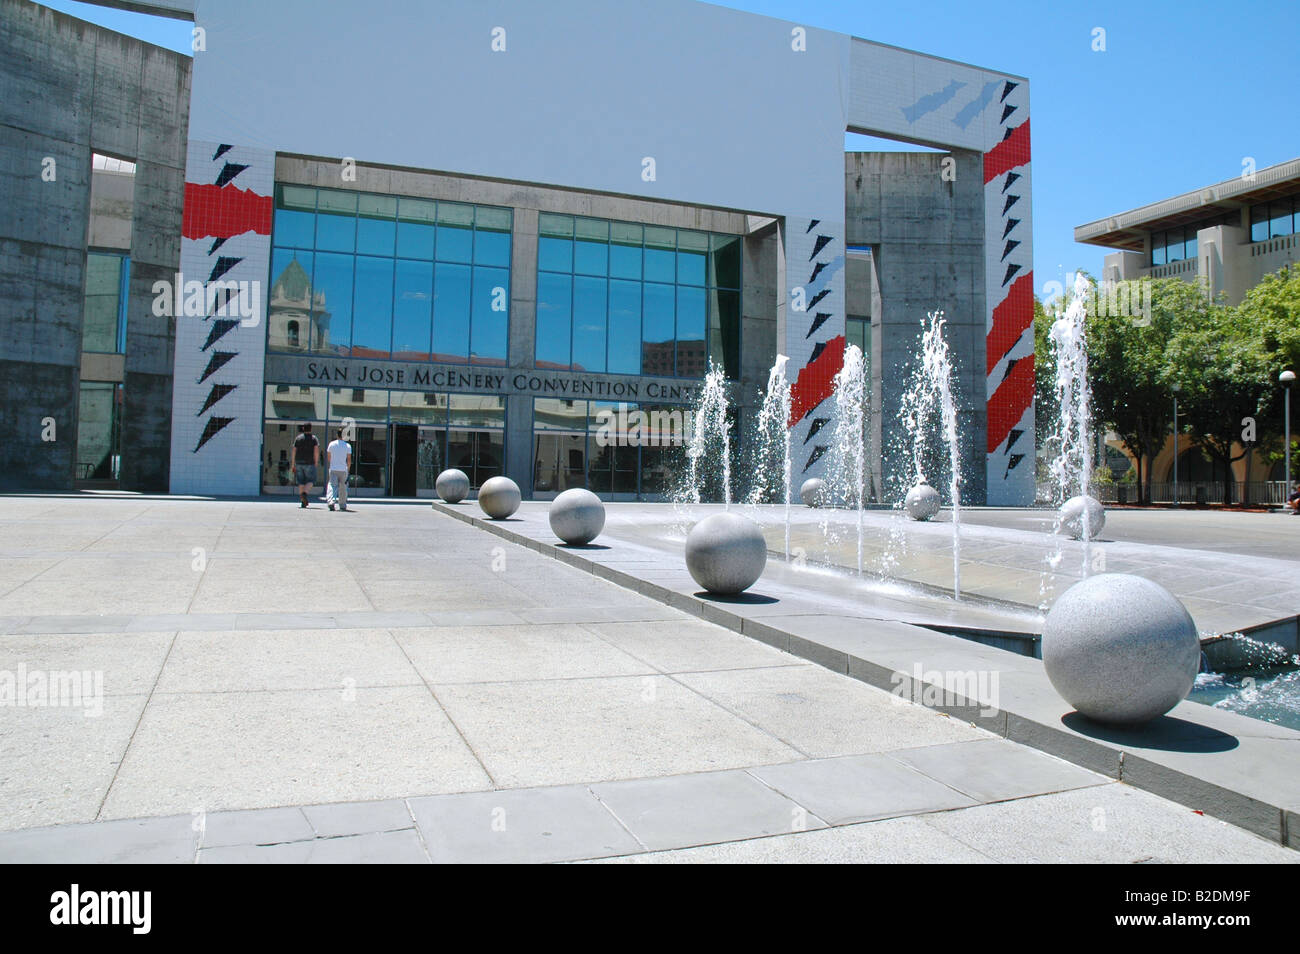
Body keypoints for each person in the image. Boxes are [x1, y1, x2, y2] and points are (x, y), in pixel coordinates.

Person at [292, 423, 320, 508]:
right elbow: (316, 450)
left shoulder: (298, 438)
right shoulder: (314, 439)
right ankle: (304, 494)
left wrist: (293, 463)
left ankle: (302, 501)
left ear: (303, 428)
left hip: (299, 462)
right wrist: (316, 461)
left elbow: (294, 451)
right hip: (310, 462)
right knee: (311, 480)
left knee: (301, 482)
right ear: (311, 429)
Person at [325, 428, 352, 512]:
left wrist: (332, 464)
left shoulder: (331, 444)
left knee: (332, 486)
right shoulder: (347, 446)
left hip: (333, 468)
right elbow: (349, 460)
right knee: (343, 487)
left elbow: (329, 457)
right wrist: (348, 469)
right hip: (343, 469)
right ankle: (342, 504)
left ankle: (331, 502)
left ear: (337, 435)